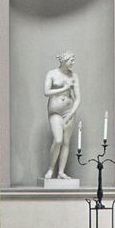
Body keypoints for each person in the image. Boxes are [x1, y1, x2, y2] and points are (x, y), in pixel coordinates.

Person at [42, 51, 81, 180]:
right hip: (55, 111)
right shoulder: (52, 73)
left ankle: (61, 172)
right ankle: (51, 169)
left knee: (65, 141)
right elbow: (46, 92)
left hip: (68, 111)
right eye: (71, 60)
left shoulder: (74, 76)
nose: (73, 63)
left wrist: (72, 113)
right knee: (58, 140)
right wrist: (65, 88)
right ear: (64, 61)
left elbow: (78, 98)